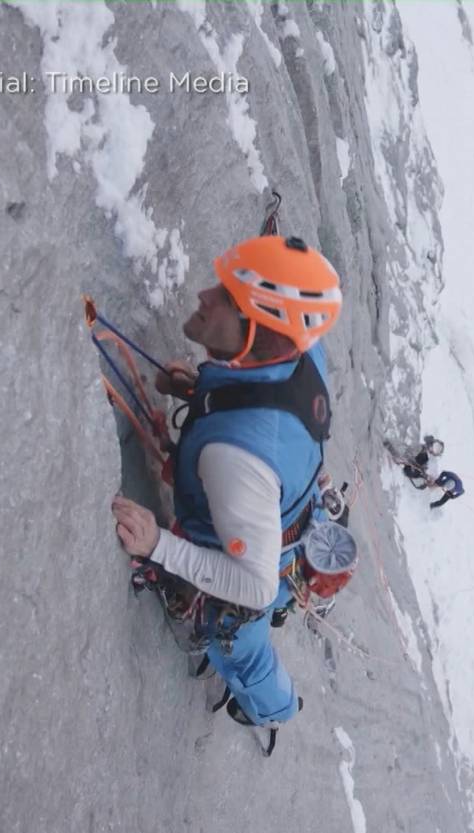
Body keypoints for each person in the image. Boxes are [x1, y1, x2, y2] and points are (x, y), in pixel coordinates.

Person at [110, 234, 342, 740]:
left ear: (256, 331)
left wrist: (158, 545)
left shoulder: (237, 460)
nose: (203, 294)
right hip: (286, 512)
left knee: (239, 648)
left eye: (225, 297)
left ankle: (274, 708)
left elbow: (254, 587)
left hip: (258, 541)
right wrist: (202, 389)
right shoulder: (304, 349)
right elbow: (271, 394)